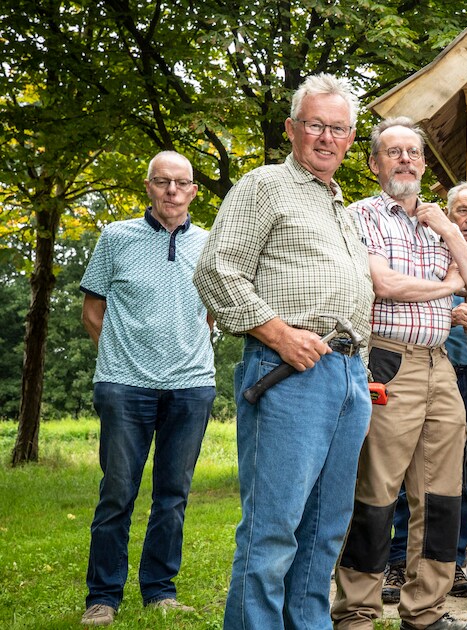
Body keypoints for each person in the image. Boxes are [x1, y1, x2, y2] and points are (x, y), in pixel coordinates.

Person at [193, 73, 374, 630]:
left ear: (349, 138)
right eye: (315, 125)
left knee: (324, 530)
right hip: (287, 372)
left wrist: (357, 370)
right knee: (273, 529)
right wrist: (279, 334)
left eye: (338, 128)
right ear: (292, 128)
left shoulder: (340, 206)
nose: (326, 137)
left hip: (346, 375)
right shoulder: (265, 184)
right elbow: (217, 271)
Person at [331, 118, 467, 630]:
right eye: (393, 152)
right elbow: (384, 284)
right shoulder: (362, 216)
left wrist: (449, 231)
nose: (405, 160)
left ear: (424, 164)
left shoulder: (437, 224)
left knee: (442, 495)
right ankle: (356, 610)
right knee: (376, 490)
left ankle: (424, 611)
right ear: (375, 163)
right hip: (387, 358)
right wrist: (447, 286)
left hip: (438, 365)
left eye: (413, 153)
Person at [78, 151, 216, 627]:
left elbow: (217, 308)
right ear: (148, 186)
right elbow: (92, 312)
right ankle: (103, 597)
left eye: (181, 183)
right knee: (117, 492)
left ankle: (160, 590)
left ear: (194, 190)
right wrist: (119, 359)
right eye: (163, 182)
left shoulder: (211, 242)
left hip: (191, 385)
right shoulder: (115, 237)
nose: (172, 191)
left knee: (173, 493)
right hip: (124, 385)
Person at [382, 181, 467, 603]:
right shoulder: (426, 246)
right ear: (447, 211)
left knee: (463, 477)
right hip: (420, 371)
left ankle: (454, 562)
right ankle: (397, 564)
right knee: (409, 471)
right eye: (463, 211)